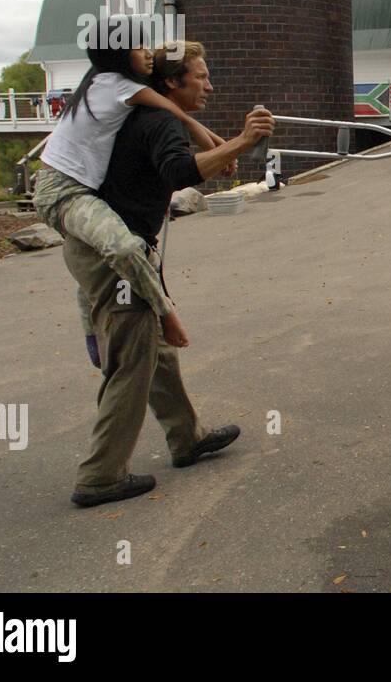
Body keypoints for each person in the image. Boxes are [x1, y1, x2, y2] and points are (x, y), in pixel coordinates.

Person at [64, 40, 275, 507]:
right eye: (200, 77)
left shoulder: (152, 118)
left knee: (155, 350)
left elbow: (176, 168)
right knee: (131, 362)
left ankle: (186, 438)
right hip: (113, 257)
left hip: (113, 249)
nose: (209, 85)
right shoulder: (157, 119)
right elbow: (180, 172)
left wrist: (220, 149)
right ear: (172, 82)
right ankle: (100, 477)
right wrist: (242, 141)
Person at [34, 37, 223, 355]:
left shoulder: (105, 82)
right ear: (118, 56)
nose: (148, 54)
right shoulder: (119, 86)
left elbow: (180, 115)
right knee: (123, 247)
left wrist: (219, 146)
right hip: (64, 193)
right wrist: (229, 145)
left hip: (79, 187)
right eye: (139, 48)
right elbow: (180, 117)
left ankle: (95, 335)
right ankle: (164, 315)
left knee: (95, 261)